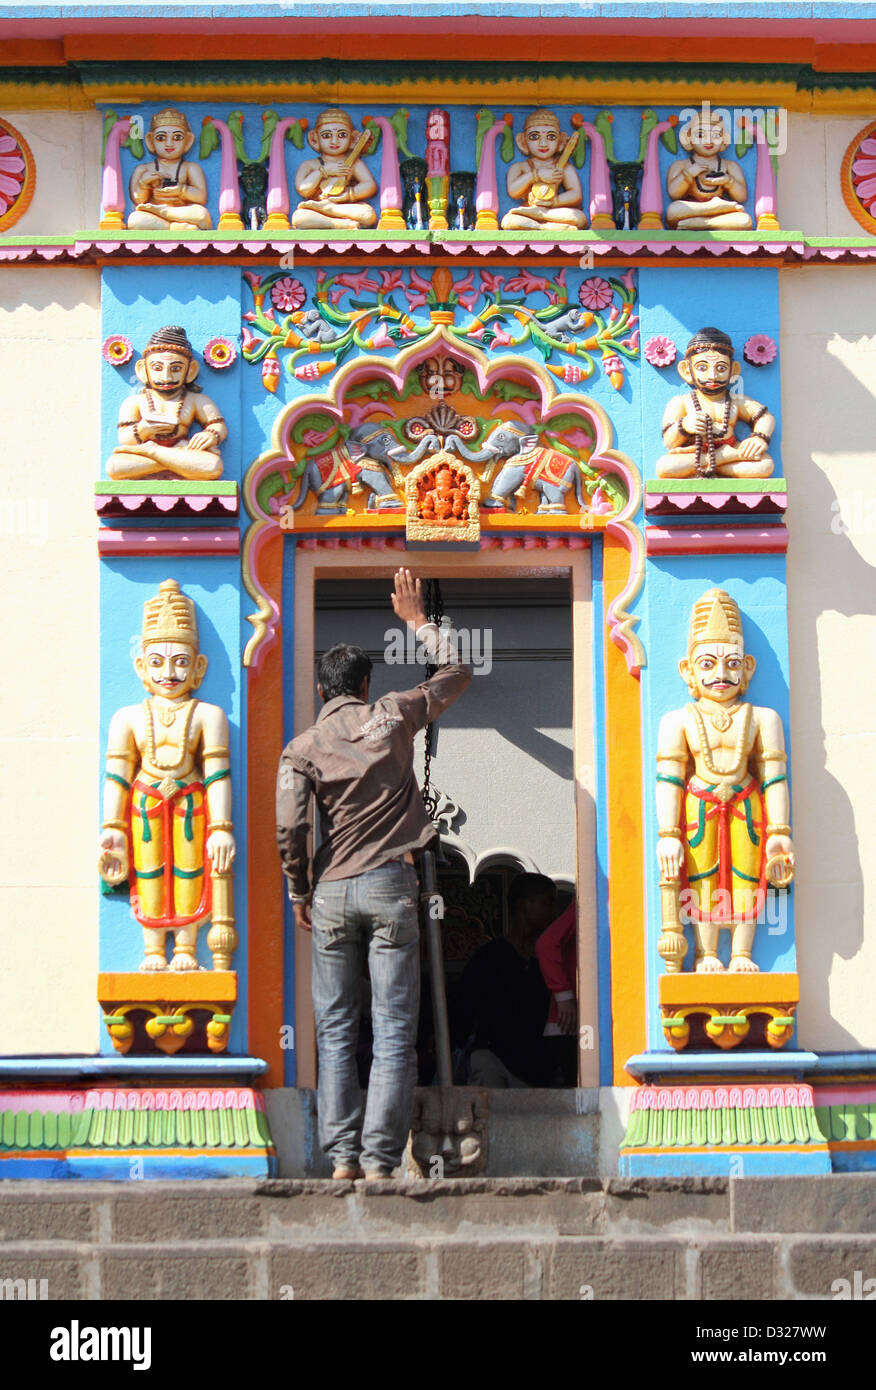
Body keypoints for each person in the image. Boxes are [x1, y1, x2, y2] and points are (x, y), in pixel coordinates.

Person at [276, 569, 471, 1178]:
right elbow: (458, 673)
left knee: (334, 1030)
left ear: (319, 687)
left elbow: (290, 825)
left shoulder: (302, 747)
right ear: (364, 683)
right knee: (392, 1030)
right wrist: (417, 622)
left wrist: (298, 890)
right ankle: (382, 1161)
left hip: (330, 892)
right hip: (391, 884)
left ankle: (341, 1162)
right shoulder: (389, 715)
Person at [98, 579, 236, 972]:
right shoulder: (126, 719)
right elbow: (117, 775)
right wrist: (112, 825)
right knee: (149, 873)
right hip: (145, 807)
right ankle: (154, 949)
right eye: (157, 661)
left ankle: (187, 949)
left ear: (198, 666)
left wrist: (222, 828)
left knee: (190, 871)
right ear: (141, 666)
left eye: (180, 661)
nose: (169, 672)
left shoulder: (208, 716)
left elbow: (218, 775)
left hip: (191, 805)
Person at [656, 588, 795, 973]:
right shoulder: (677, 721)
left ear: (747, 667)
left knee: (746, 877)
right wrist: (667, 834)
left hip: (746, 807)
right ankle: (706, 954)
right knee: (701, 876)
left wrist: (781, 832)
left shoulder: (764, 719)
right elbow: (668, 779)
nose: (720, 675)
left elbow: (774, 777)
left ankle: (742, 953)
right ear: (688, 670)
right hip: (699, 806)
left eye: (732, 663)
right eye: (707, 664)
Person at [455, 873, 559, 1087]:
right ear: (523, 905)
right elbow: (463, 1008)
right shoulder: (489, 957)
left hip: (536, 1069)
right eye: (546, 903)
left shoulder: (549, 960)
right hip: (494, 1059)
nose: (552, 912)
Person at [107, 325, 227, 481]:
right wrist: (143, 430)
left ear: (190, 371)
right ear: (143, 370)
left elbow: (218, 425)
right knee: (115, 466)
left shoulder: (196, 400)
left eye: (176, 368)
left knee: (213, 465)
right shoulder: (134, 402)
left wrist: (211, 435)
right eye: (157, 368)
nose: (166, 377)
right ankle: (170, 461)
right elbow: (125, 438)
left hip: (178, 451)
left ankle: (154, 453)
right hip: (180, 455)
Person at [656, 326, 775, 480]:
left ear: (733, 370)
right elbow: (670, 442)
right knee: (665, 466)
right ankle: (720, 458)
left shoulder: (736, 400)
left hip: (731, 449)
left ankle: (711, 464)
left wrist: (760, 438)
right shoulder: (681, 402)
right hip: (697, 453)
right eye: (702, 368)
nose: (712, 376)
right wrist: (684, 426)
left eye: (721, 368)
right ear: (686, 370)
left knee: (765, 465)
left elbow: (765, 417)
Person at [501, 109, 587, 231]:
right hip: (528, 211)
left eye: (551, 137)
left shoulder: (564, 167)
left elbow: (575, 194)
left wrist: (554, 202)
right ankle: (544, 227)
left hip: (553, 212)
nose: (543, 143)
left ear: (561, 141)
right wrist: (536, 175)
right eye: (534, 137)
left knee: (579, 218)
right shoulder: (520, 167)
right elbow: (513, 191)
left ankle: (541, 216)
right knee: (508, 221)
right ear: (523, 141)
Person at [291, 109, 378, 230]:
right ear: (315, 138)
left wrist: (347, 195)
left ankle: (329, 208)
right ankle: (337, 224)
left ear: (352, 139)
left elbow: (369, 185)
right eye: (326, 136)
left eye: (342, 135)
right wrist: (324, 171)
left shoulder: (354, 163)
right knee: (299, 217)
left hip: (342, 207)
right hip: (317, 207)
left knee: (368, 215)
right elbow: (303, 189)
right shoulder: (310, 165)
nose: (334, 141)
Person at [127, 108, 212, 231]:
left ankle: (164, 212)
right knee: (135, 220)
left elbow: (201, 197)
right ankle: (174, 227)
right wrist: (144, 184)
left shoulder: (190, 167)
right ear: (150, 141)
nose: (169, 144)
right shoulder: (144, 169)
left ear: (188, 141)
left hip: (180, 212)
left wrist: (181, 190)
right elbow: (139, 200)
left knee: (202, 214)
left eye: (177, 137)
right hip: (155, 215)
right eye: (161, 138)